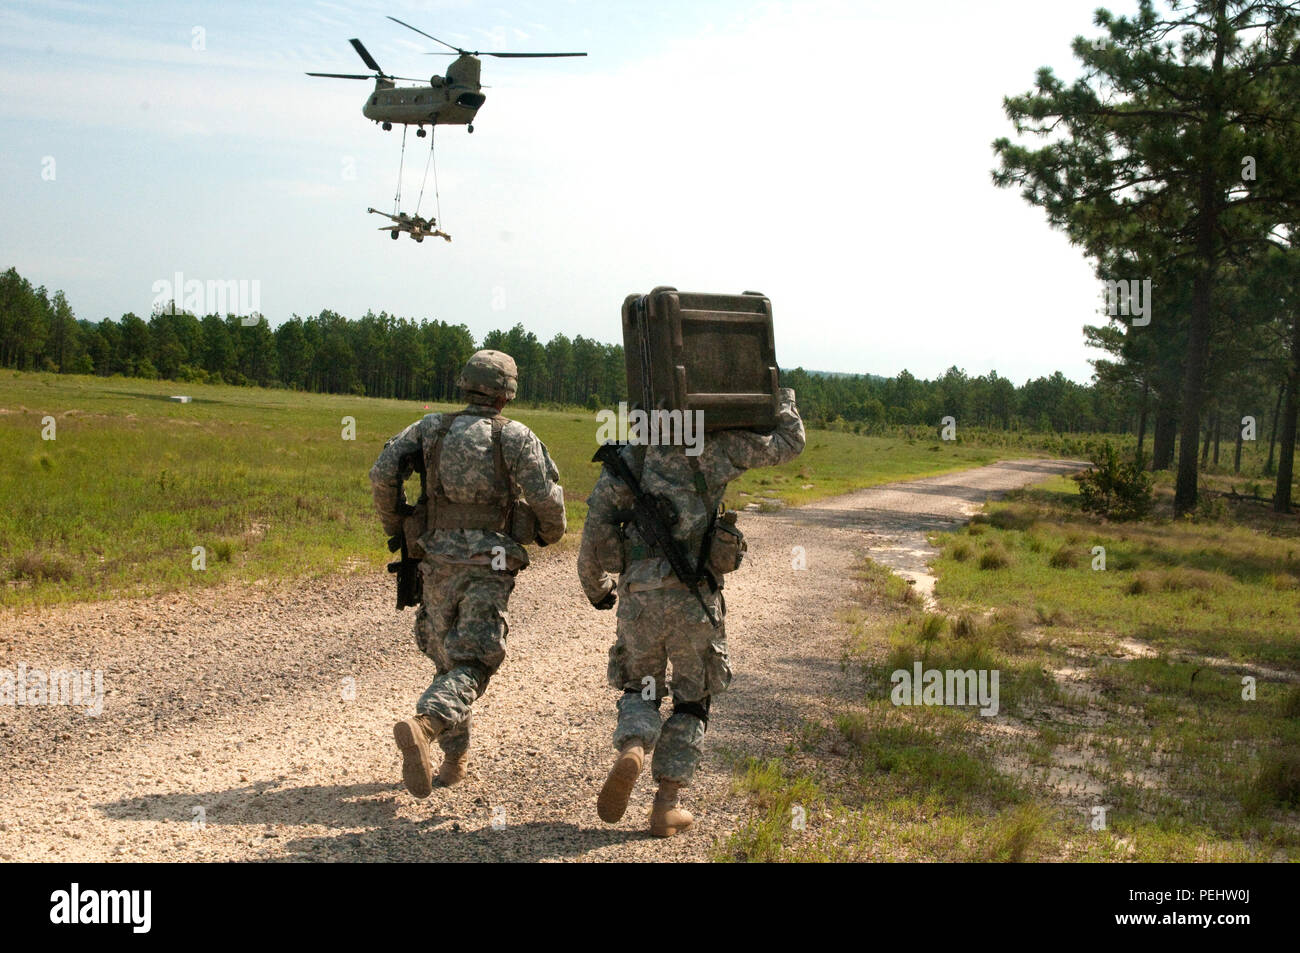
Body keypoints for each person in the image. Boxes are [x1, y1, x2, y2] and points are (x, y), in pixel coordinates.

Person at [577, 388, 805, 836]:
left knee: (640, 689)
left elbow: (595, 528)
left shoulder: (629, 454)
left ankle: (636, 747)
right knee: (692, 698)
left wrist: (597, 587)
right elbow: (789, 442)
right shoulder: (718, 446)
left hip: (639, 593)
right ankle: (665, 805)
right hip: (694, 598)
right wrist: (780, 395)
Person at [370, 350, 566, 797]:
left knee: (448, 661)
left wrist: (397, 524)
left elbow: (382, 473)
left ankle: (453, 763)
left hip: (435, 559)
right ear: (507, 393)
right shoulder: (515, 436)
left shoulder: (429, 427)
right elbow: (547, 499)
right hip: (491, 563)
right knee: (475, 660)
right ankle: (427, 724)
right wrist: (550, 535)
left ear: (464, 384)